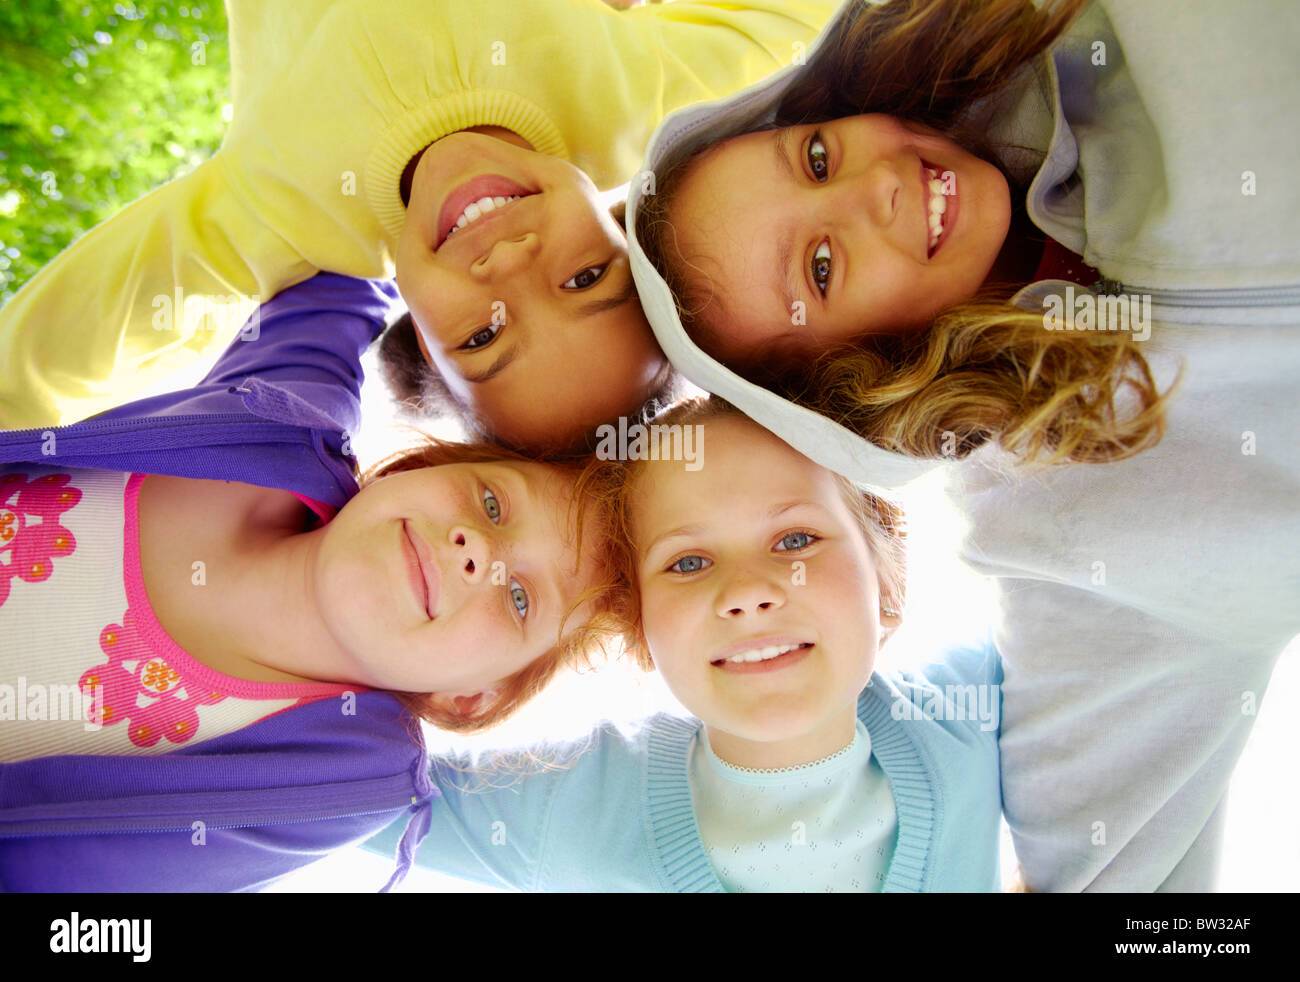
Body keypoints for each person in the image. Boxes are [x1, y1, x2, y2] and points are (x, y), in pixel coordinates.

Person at [627, 0, 1300, 888]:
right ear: (852, 373)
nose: (880, 187)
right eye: (821, 268)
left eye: (817, 157)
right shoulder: (1066, 537)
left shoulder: (1077, 35)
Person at [0, 273, 620, 891]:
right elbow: (342, 258)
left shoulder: (324, 783)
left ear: (469, 697)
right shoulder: (283, 420)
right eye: (491, 504)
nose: (478, 550)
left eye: (519, 599)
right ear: (411, 470)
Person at [0, 0, 842, 452]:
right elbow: (807, 25)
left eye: (480, 337)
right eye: (586, 279)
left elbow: (45, 360)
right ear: (629, 228)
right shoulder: (634, 100)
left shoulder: (282, 217)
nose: (509, 261)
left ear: (421, 342)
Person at [366, 400, 1003, 891]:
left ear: (887, 572)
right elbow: (315, 792)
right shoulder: (573, 808)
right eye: (689, 562)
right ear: (638, 627)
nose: (747, 592)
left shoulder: (981, 703)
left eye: (795, 541)